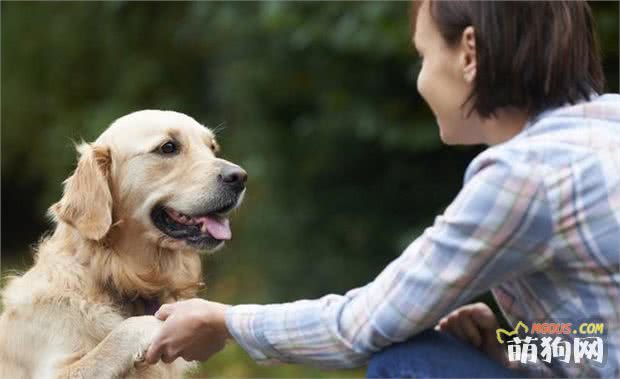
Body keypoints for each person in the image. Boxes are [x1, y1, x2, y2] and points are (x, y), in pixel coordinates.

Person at [145, 1, 620, 378]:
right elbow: (602, 345)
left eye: (425, 55)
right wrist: (515, 345)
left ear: (469, 53)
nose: (421, 79)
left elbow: (361, 326)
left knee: (406, 361)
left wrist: (225, 323)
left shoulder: (521, 177)